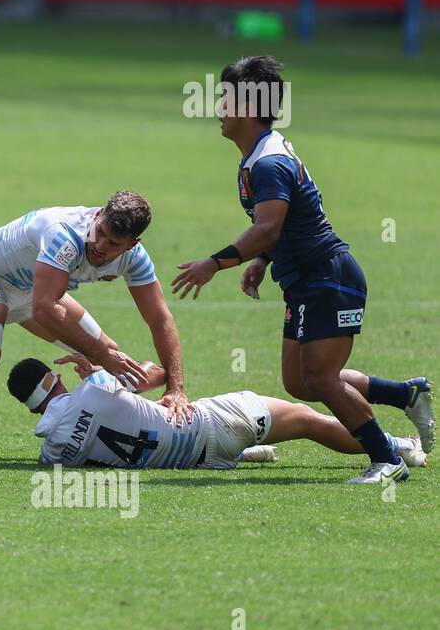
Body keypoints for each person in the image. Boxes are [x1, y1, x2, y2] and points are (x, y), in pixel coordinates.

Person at [172, 55, 432, 485]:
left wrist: (213, 264)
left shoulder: (268, 162)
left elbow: (269, 225)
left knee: (320, 377)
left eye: (225, 99)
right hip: (306, 282)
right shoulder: (258, 157)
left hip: (328, 278)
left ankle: (388, 460)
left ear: (249, 107)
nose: (218, 108)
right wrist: (260, 261)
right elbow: (281, 228)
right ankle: (404, 394)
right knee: (299, 382)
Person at [0, 192, 190, 466]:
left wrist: (176, 387)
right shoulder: (63, 234)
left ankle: (163, 426)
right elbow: (44, 309)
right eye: (101, 233)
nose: (100, 246)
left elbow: (160, 319)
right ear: (98, 216)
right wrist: (97, 353)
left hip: (36, 289)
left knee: (113, 361)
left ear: (132, 245)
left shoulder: (135, 260)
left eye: (113, 245)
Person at [9, 354, 426, 471]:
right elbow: (156, 375)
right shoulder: (94, 389)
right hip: (211, 423)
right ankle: (398, 447)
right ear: (53, 380)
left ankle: (253, 454)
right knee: (307, 419)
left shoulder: (54, 452)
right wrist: (100, 367)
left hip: (201, 461)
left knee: (300, 421)